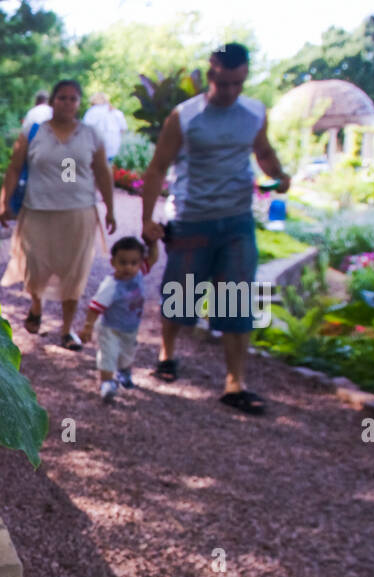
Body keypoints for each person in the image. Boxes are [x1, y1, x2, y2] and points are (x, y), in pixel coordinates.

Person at [140, 43, 291, 416]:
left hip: (237, 220)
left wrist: (279, 174)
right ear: (210, 75)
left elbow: (264, 152)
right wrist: (147, 219)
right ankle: (167, 354)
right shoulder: (185, 116)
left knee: (237, 301)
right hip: (192, 218)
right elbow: (158, 166)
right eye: (223, 83)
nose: (230, 92)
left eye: (237, 84)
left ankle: (234, 382)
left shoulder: (255, 113)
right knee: (180, 297)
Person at [0, 79, 118, 350]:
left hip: (78, 213)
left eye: (73, 98)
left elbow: (102, 173)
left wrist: (110, 209)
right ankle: (36, 305)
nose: (67, 103)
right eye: (62, 98)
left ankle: (66, 330)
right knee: (35, 266)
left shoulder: (90, 135)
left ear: (79, 103)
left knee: (74, 272)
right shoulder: (33, 131)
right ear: (52, 101)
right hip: (38, 211)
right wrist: (4, 202)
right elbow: (14, 168)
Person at [80, 236, 159, 402]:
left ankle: (124, 373)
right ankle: (107, 383)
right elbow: (95, 307)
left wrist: (154, 242)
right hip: (110, 328)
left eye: (134, 263)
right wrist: (88, 327)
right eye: (123, 262)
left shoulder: (137, 275)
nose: (128, 267)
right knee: (108, 354)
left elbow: (153, 258)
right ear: (113, 262)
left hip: (131, 326)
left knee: (127, 353)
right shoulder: (111, 285)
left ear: (139, 263)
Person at [83, 92, 128, 160]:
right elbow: (123, 129)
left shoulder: (91, 112)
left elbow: (85, 130)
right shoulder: (116, 112)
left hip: (97, 147)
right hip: (114, 146)